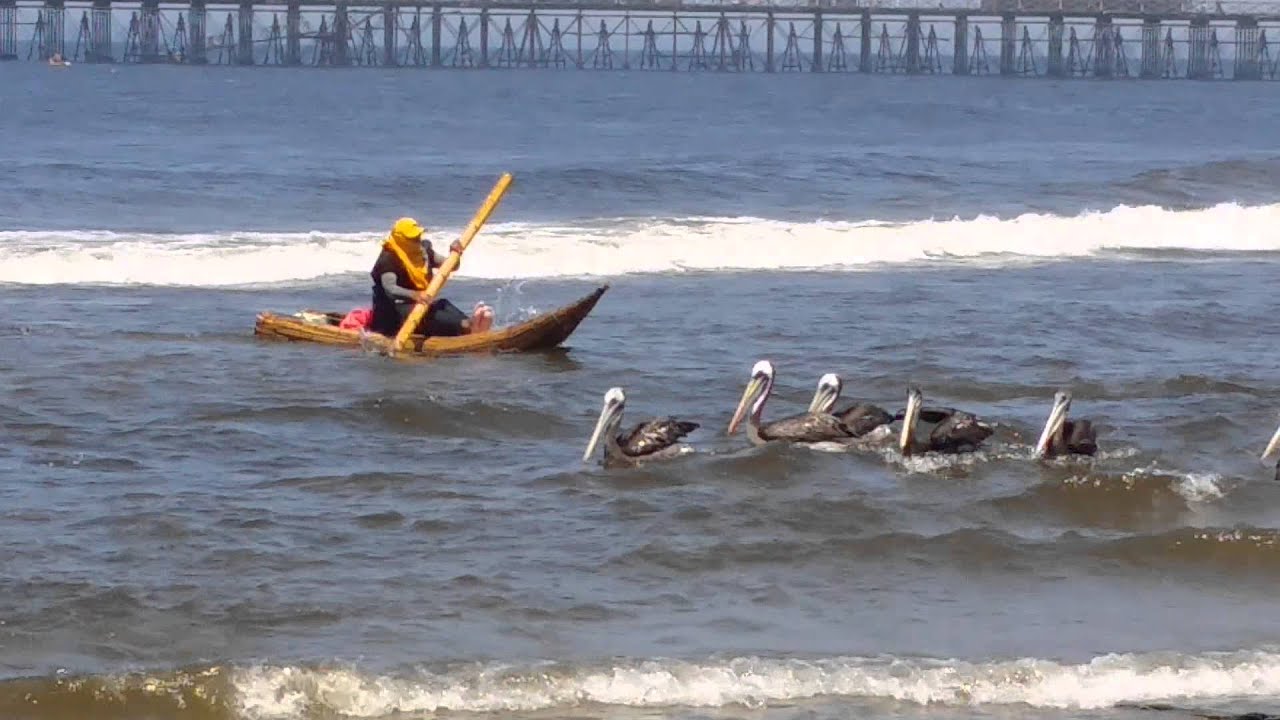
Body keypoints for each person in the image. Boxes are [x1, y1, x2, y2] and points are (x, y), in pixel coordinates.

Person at [369, 217, 493, 338]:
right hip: (392, 314)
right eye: (413, 238)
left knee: (443, 304)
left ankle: (468, 323)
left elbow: (451, 266)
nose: (417, 240)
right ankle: (465, 326)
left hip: (420, 305)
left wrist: (455, 253)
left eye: (418, 236)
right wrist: (415, 295)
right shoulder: (389, 259)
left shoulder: (423, 252)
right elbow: (391, 289)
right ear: (401, 240)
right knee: (427, 314)